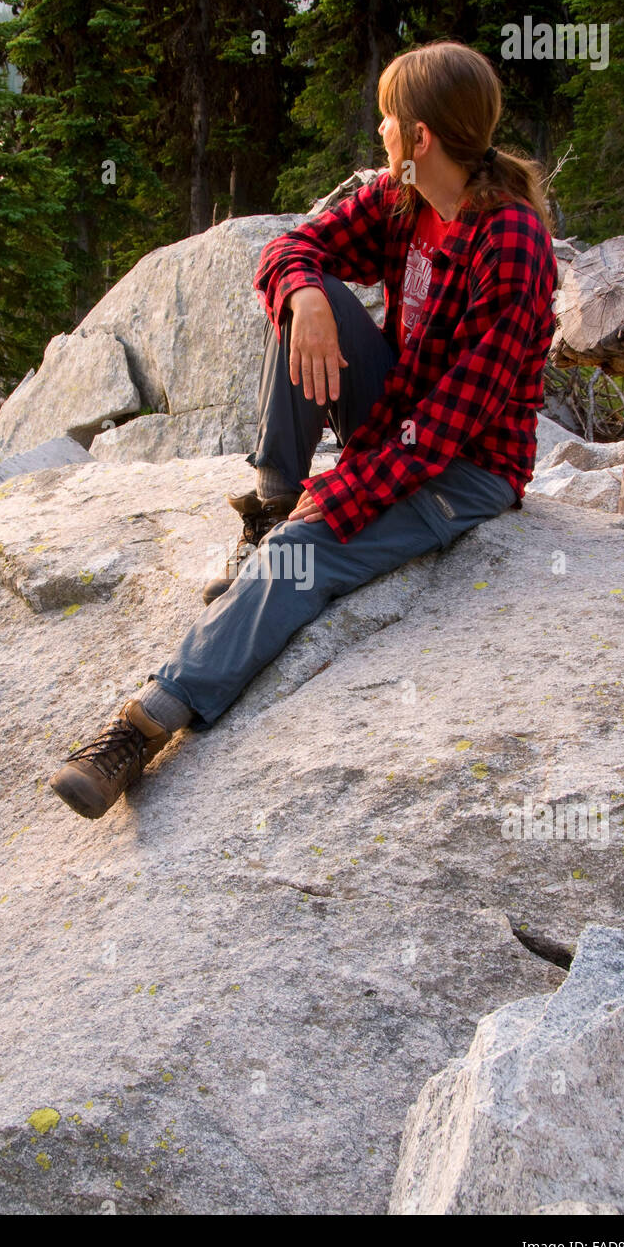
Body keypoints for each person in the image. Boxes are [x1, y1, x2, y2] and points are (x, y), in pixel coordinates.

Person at [49, 40, 558, 820]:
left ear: (420, 137)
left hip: (465, 468)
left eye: (389, 120)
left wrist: (344, 493)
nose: (380, 132)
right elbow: (289, 248)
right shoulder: (403, 197)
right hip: (397, 418)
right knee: (304, 298)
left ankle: (142, 725)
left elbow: (462, 416)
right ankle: (271, 501)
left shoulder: (509, 242)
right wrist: (307, 299)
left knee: (302, 556)